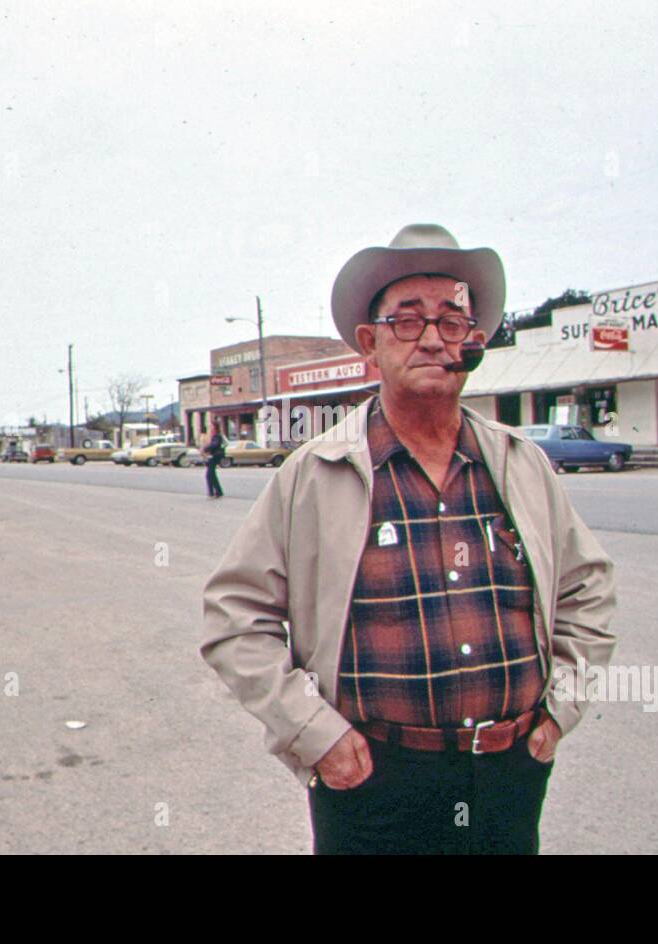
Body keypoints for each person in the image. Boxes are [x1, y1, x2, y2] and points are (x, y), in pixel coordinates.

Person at [201, 223, 618, 854]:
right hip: (369, 783)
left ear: (471, 343)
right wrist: (318, 737)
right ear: (370, 344)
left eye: (452, 320)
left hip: (507, 777)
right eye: (407, 320)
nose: (431, 337)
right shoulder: (314, 474)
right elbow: (235, 619)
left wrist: (561, 711)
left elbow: (589, 591)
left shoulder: (520, 463)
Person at [203, 421, 225, 499]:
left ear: (215, 427)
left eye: (211, 426)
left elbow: (215, 445)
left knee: (209, 475)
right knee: (211, 475)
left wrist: (206, 448)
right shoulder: (214, 436)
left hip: (214, 457)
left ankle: (213, 492)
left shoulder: (217, 436)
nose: (210, 428)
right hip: (212, 456)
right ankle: (217, 492)